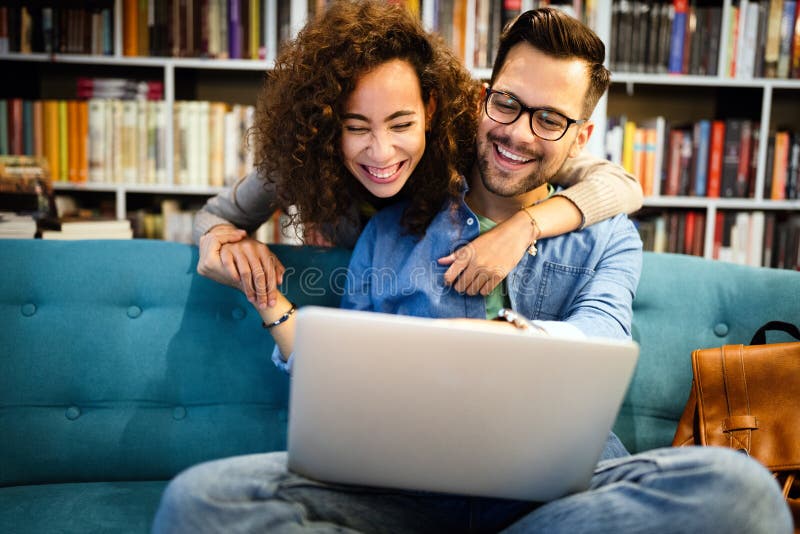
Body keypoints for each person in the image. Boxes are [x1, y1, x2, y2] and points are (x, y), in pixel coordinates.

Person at [152, 6, 793, 534]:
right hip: (401, 492)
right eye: (508, 105)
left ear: (580, 136)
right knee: (204, 500)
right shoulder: (395, 220)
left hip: (558, 497)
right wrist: (242, 265)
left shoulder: (607, 236)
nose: (518, 133)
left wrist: (515, 319)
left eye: (550, 119)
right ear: (484, 99)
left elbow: (604, 329)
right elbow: (339, 376)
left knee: (737, 491)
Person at [192, 0, 642, 313]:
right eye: (355, 127)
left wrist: (523, 228)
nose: (382, 151)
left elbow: (622, 186)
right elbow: (215, 216)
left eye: (402, 124)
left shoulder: (483, 131)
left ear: (429, 110)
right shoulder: (303, 155)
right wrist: (218, 241)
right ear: (328, 124)